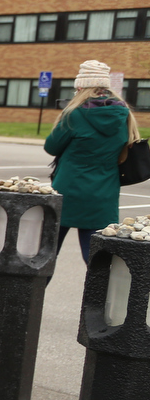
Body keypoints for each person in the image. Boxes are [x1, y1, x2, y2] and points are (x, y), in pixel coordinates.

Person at [45, 60, 133, 263]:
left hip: (68, 192)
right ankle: (101, 296)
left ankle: (30, 295)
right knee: (98, 262)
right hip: (103, 195)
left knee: (45, 256)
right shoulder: (124, 115)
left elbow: (51, 147)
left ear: (80, 86)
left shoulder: (75, 114)